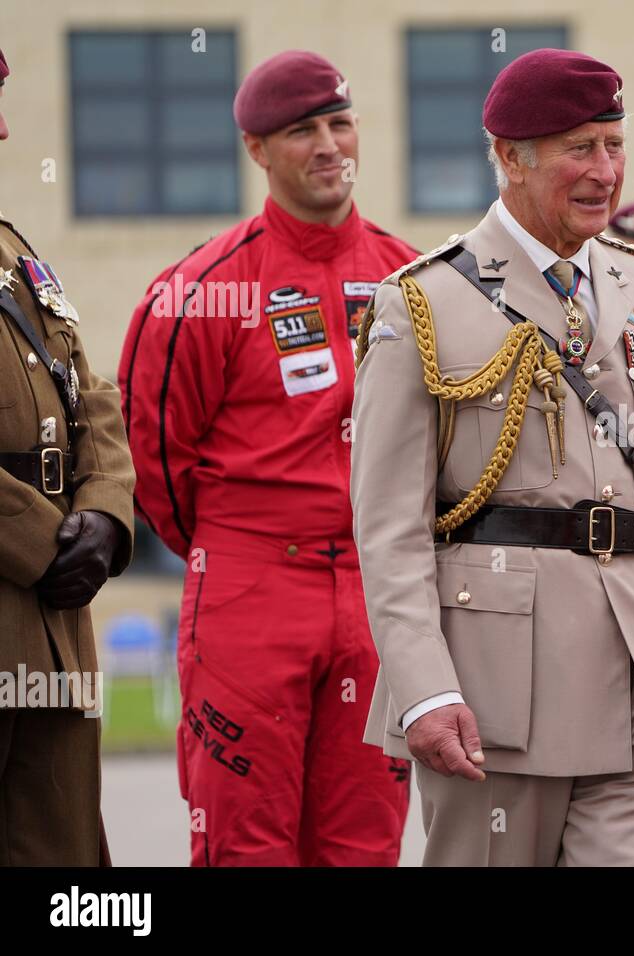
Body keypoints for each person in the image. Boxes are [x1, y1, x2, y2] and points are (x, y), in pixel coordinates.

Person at [350, 48, 634, 867]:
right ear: (510, 158)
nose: (606, 171)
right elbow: (389, 528)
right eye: (580, 148)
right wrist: (426, 685)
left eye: (615, 145)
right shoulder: (422, 300)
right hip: (495, 687)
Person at [119, 50, 417, 866]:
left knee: (364, 841)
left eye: (340, 123)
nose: (328, 145)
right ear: (257, 148)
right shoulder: (197, 290)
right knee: (244, 838)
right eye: (300, 131)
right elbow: (157, 463)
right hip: (249, 586)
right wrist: (243, 550)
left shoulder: (410, 279)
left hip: (375, 592)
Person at [0, 46, 136, 865]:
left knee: (61, 859)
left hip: (53, 620)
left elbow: (93, 394)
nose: (5, 127)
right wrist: (41, 541)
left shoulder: (14, 251)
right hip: (29, 574)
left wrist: (105, 512)